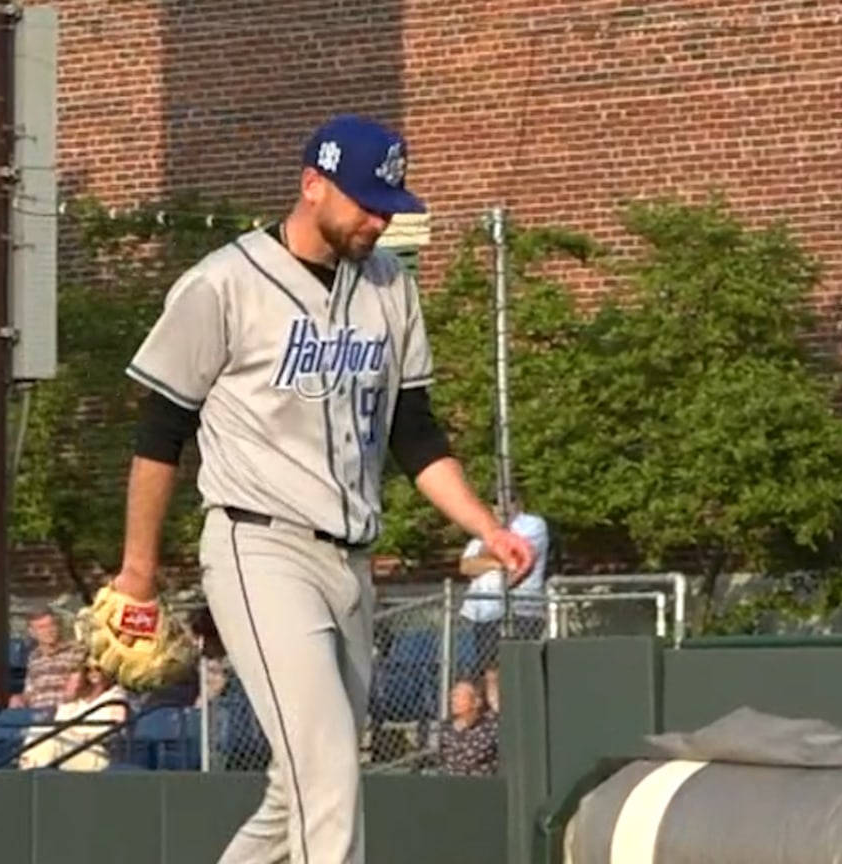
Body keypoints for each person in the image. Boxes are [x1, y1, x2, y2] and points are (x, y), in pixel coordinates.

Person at [111, 113, 535, 864]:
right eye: (367, 203)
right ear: (312, 185)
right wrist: (138, 574)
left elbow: (416, 433)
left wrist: (485, 526)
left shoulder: (389, 285)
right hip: (258, 543)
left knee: (300, 786)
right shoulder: (223, 284)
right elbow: (159, 432)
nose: (379, 219)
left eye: (388, 206)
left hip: (350, 562)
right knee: (329, 771)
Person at [458, 495, 550, 673]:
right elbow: (466, 566)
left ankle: (522, 700)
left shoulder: (532, 524)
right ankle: (499, 702)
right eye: (495, 502)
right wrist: (496, 562)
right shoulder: (483, 530)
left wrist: (486, 557)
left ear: (519, 503)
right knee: (491, 669)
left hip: (522, 608)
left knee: (521, 668)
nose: (501, 506)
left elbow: (518, 557)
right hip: (486, 612)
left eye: (509, 500)